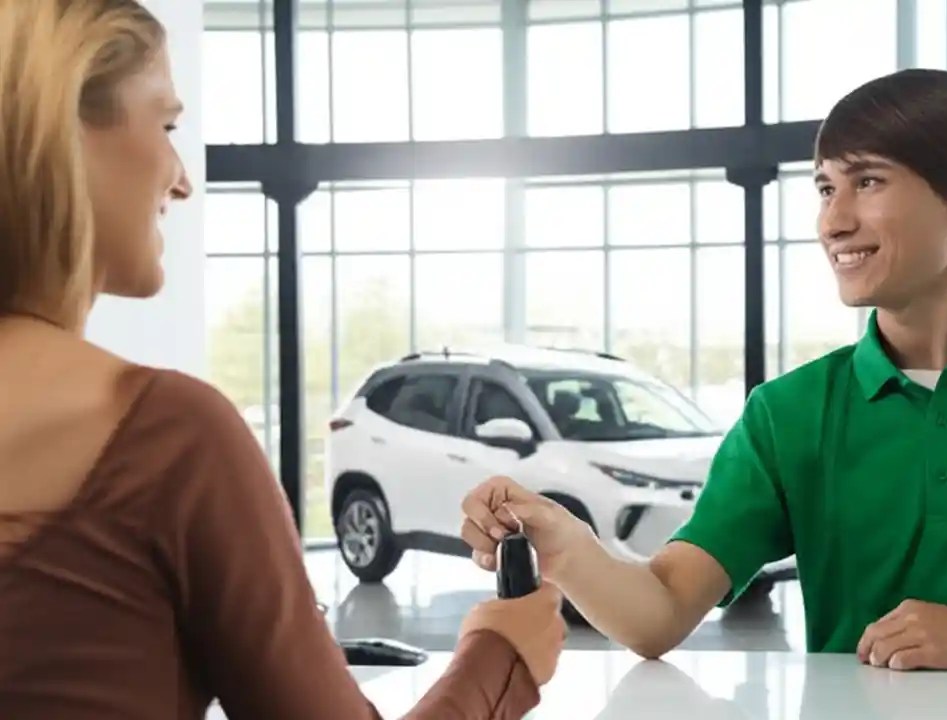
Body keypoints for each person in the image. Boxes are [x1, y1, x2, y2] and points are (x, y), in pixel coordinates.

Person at [462, 68, 947, 671]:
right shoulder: (791, 414)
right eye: (826, 188)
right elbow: (661, 612)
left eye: (868, 182)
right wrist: (563, 542)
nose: (835, 221)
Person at [0, 2, 562, 718]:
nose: (181, 180)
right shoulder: (166, 436)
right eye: (166, 126)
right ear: (62, 129)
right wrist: (500, 654)